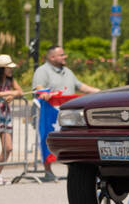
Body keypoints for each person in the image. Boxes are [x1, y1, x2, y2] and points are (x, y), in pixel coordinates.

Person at [31, 46, 99, 179]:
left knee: (71, 141)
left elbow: (81, 86)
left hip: (69, 115)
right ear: (52, 57)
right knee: (47, 138)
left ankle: (72, 171)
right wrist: (44, 93)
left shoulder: (68, 71)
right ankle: (48, 171)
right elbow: (39, 88)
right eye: (61, 55)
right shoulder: (42, 71)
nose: (64, 57)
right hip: (50, 113)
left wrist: (99, 91)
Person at [0, 55, 20, 183]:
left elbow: (20, 92)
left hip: (4, 117)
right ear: (1, 69)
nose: (11, 69)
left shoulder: (10, 80)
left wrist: (10, 94)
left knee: (8, 148)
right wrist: (7, 94)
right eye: (8, 67)